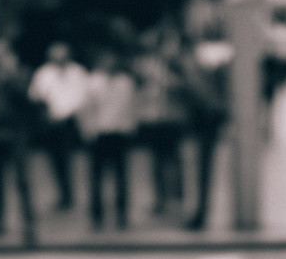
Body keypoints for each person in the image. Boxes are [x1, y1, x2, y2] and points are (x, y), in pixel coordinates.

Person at [0, 40, 39, 245]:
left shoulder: (20, 74)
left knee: (22, 180)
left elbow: (26, 99)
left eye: (2, 54)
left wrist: (10, 77)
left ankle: (29, 223)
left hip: (17, 133)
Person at [78, 48, 137, 231]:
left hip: (119, 132)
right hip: (100, 133)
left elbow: (132, 106)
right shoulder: (93, 81)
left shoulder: (125, 82)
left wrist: (130, 127)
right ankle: (97, 216)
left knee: (121, 176)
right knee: (96, 177)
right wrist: (88, 130)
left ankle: (122, 214)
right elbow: (86, 109)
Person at [28, 41, 90, 212]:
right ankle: (63, 194)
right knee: (56, 160)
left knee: (72, 159)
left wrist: (70, 113)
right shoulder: (43, 74)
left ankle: (71, 193)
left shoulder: (78, 72)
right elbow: (35, 96)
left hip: (72, 121)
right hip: (52, 123)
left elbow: (85, 96)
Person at [134, 33, 189, 219]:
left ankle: (176, 199)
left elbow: (183, 87)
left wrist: (161, 79)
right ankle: (160, 199)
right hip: (154, 118)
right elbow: (143, 91)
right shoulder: (149, 65)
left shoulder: (177, 66)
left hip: (172, 118)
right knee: (156, 161)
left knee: (173, 160)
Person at [180, 37, 230, 231]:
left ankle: (199, 213)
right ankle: (198, 212)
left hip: (199, 127)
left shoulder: (193, 69)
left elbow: (203, 97)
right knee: (198, 173)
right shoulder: (198, 68)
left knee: (197, 172)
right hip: (201, 126)